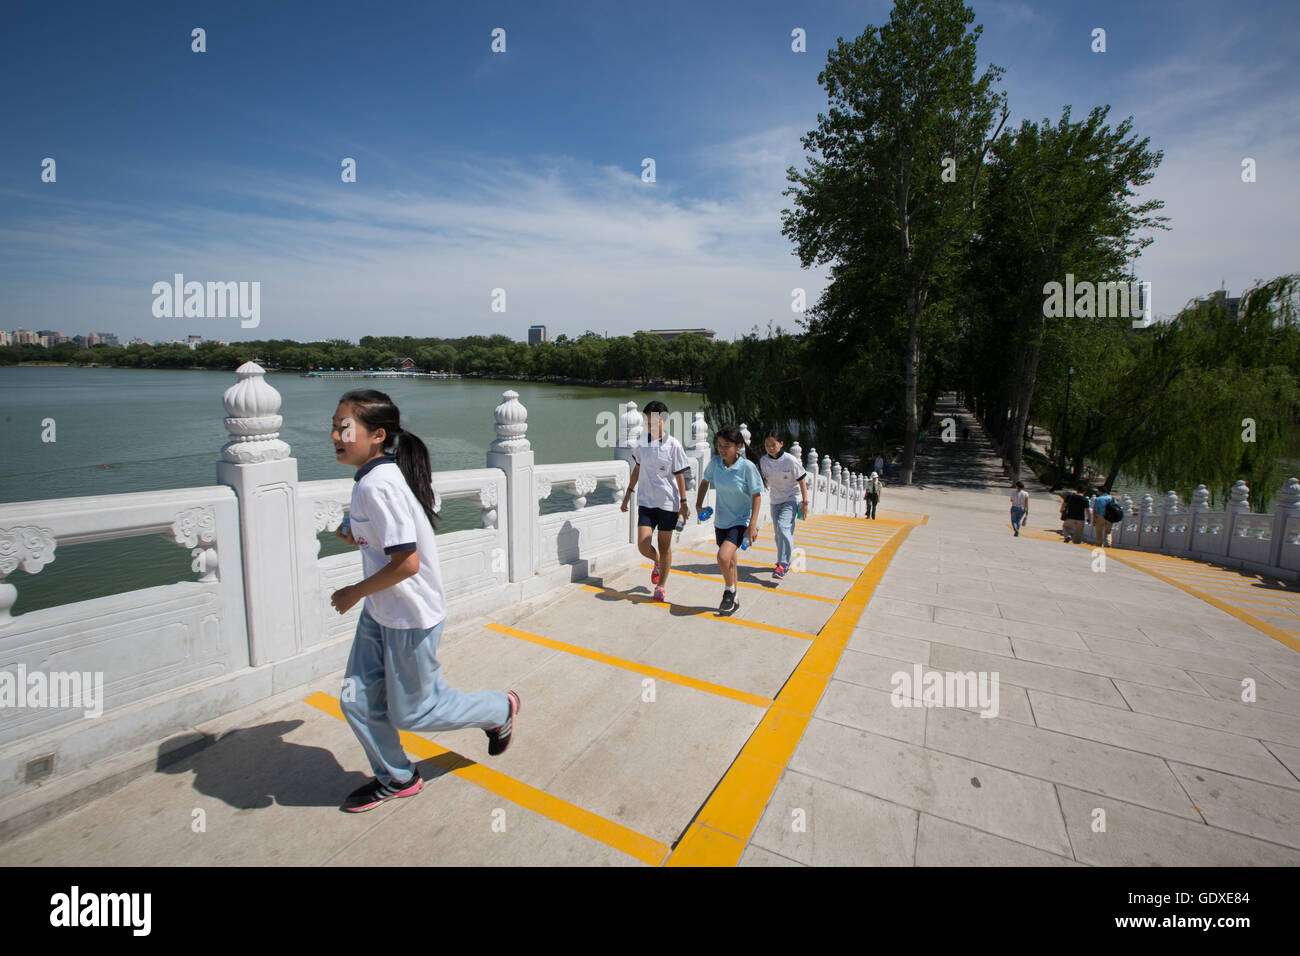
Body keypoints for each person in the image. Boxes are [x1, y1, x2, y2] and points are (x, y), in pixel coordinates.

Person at [330, 390, 519, 813]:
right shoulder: (375, 476)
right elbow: (392, 534)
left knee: (416, 713)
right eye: (334, 426)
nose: (335, 435)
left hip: (409, 616)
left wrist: (351, 593)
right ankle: (397, 777)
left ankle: (498, 708)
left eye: (345, 427)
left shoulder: (379, 484)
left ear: (377, 435)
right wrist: (355, 534)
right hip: (382, 611)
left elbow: (407, 564)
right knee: (355, 700)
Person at [620, 401, 691, 603]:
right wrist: (628, 493)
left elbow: (680, 476)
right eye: (646, 419)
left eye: (652, 418)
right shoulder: (642, 442)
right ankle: (658, 561)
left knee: (664, 544)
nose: (648, 422)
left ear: (663, 419)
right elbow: (637, 468)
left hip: (669, 503)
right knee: (643, 545)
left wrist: (683, 503)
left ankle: (661, 586)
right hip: (646, 502)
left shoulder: (674, 444)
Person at [695, 425, 762, 616]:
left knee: (723, 557)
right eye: (720, 445)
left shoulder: (747, 467)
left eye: (727, 446)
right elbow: (705, 482)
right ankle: (735, 599)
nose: (722, 450)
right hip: (721, 521)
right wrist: (699, 505)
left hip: (741, 520)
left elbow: (757, 495)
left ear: (738, 446)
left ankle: (729, 591)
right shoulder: (716, 463)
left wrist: (752, 525)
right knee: (730, 562)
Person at [759, 429, 808, 578]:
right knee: (779, 533)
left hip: (791, 498)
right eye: (767, 445)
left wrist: (805, 503)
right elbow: (760, 480)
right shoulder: (764, 461)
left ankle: (783, 564)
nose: (770, 448)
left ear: (781, 444)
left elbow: (802, 480)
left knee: (782, 527)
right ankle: (781, 560)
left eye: (773, 444)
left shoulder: (790, 460)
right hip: (775, 500)